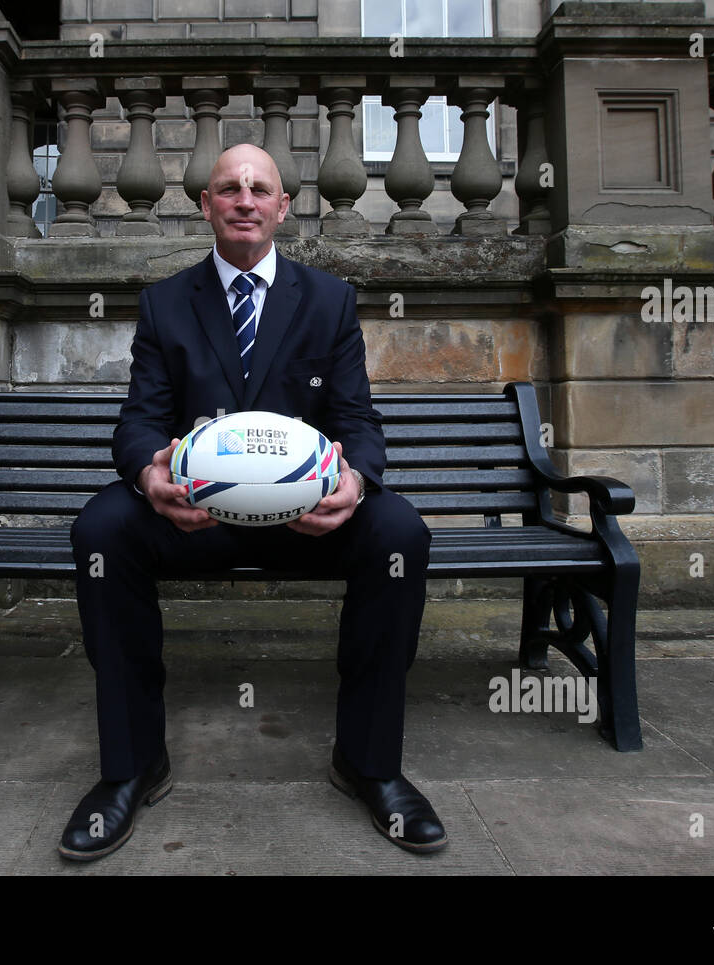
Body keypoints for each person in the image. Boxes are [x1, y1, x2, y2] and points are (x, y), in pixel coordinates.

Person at [60, 143, 444, 861]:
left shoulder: (327, 300)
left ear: (281, 206)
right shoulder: (165, 302)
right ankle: (131, 765)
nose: (244, 199)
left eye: (258, 188)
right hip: (196, 516)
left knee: (399, 532)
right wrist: (150, 477)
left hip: (303, 522)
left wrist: (355, 481)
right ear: (205, 205)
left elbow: (357, 422)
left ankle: (369, 762)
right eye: (228, 188)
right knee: (103, 527)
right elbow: (138, 422)